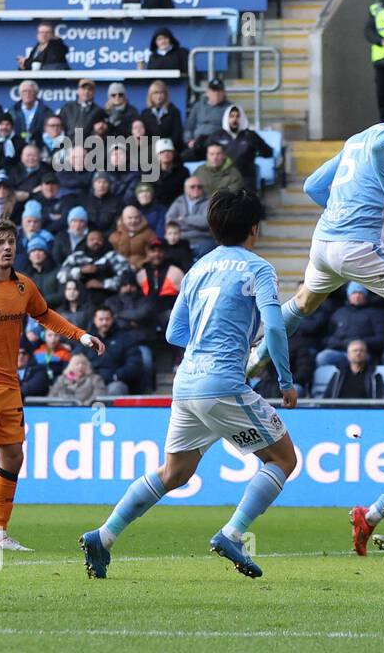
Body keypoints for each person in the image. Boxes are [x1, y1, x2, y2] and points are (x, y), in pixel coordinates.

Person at [80, 188, 296, 580]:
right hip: (223, 382)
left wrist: (210, 338)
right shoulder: (258, 268)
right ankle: (232, 533)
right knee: (283, 459)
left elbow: (174, 333)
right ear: (254, 228)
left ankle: (104, 534)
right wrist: (285, 380)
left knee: (174, 473)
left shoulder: (197, 268)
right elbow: (276, 326)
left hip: (186, 383)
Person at [247, 100, 384, 380]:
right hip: (359, 247)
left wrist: (342, 212)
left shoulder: (357, 140)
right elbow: (382, 151)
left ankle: (258, 355)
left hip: (324, 243)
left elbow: (312, 186)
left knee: (302, 304)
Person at [0, 220, 103, 554]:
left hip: (9, 385)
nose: (7, 247)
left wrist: (80, 335)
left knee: (13, 456)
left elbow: (45, 315)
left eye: (11, 241)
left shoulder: (24, 286)